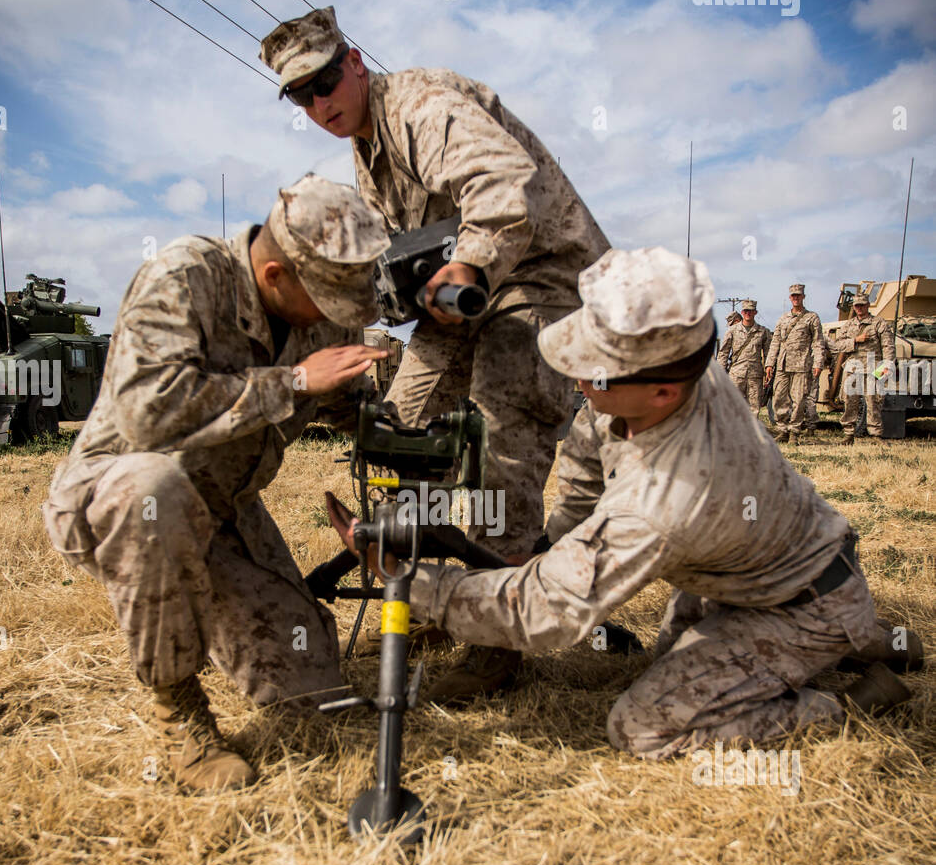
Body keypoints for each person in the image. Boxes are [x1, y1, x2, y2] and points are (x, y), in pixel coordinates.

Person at [330, 247, 921, 761]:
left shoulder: (667, 497)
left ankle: (837, 703)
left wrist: (410, 582)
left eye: (594, 371)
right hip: (765, 569)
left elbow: (547, 614)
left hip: (795, 599)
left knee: (645, 722)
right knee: (669, 657)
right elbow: (588, 470)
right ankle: (872, 635)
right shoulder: (672, 356)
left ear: (662, 390)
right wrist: (543, 547)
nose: (577, 380)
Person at [259, 6, 611, 699]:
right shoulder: (367, 154)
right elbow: (396, 258)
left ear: (355, 60)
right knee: (400, 431)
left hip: (537, 274)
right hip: (455, 300)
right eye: (300, 94)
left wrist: (472, 265)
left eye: (326, 79)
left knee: (502, 429)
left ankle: (499, 638)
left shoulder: (419, 107)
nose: (319, 101)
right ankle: (425, 589)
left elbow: (503, 183)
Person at [43, 175, 391, 792]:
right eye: (330, 305)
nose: (339, 323)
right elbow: (147, 411)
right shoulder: (184, 276)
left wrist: (396, 471)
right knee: (155, 490)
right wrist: (294, 383)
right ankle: (180, 713)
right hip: (121, 495)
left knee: (314, 694)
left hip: (223, 509)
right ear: (277, 275)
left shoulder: (321, 313)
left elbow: (352, 405)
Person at [765, 283, 828, 443]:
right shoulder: (783, 318)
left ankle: (794, 432)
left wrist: (818, 363)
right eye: (793, 296)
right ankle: (782, 430)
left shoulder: (811, 317)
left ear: (803, 297)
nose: (796, 298)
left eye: (798, 295)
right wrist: (769, 364)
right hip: (782, 364)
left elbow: (818, 342)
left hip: (801, 364)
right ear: (790, 298)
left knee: (798, 399)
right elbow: (775, 342)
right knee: (779, 398)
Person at [836, 292, 896, 445]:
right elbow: (838, 345)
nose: (859, 308)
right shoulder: (848, 325)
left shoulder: (879, 323)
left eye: (862, 305)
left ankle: (876, 435)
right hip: (852, 370)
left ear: (868, 305)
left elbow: (888, 348)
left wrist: (884, 371)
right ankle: (849, 434)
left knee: (874, 402)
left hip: (873, 370)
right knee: (850, 402)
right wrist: (855, 340)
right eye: (857, 305)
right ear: (854, 307)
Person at [717, 299, 768, 417]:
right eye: (745, 311)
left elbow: (768, 353)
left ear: (755, 312)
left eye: (750, 311)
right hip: (736, 374)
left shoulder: (762, 331)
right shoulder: (732, 330)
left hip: (755, 375)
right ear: (742, 312)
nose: (748, 313)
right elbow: (723, 352)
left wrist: (768, 370)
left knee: (754, 407)